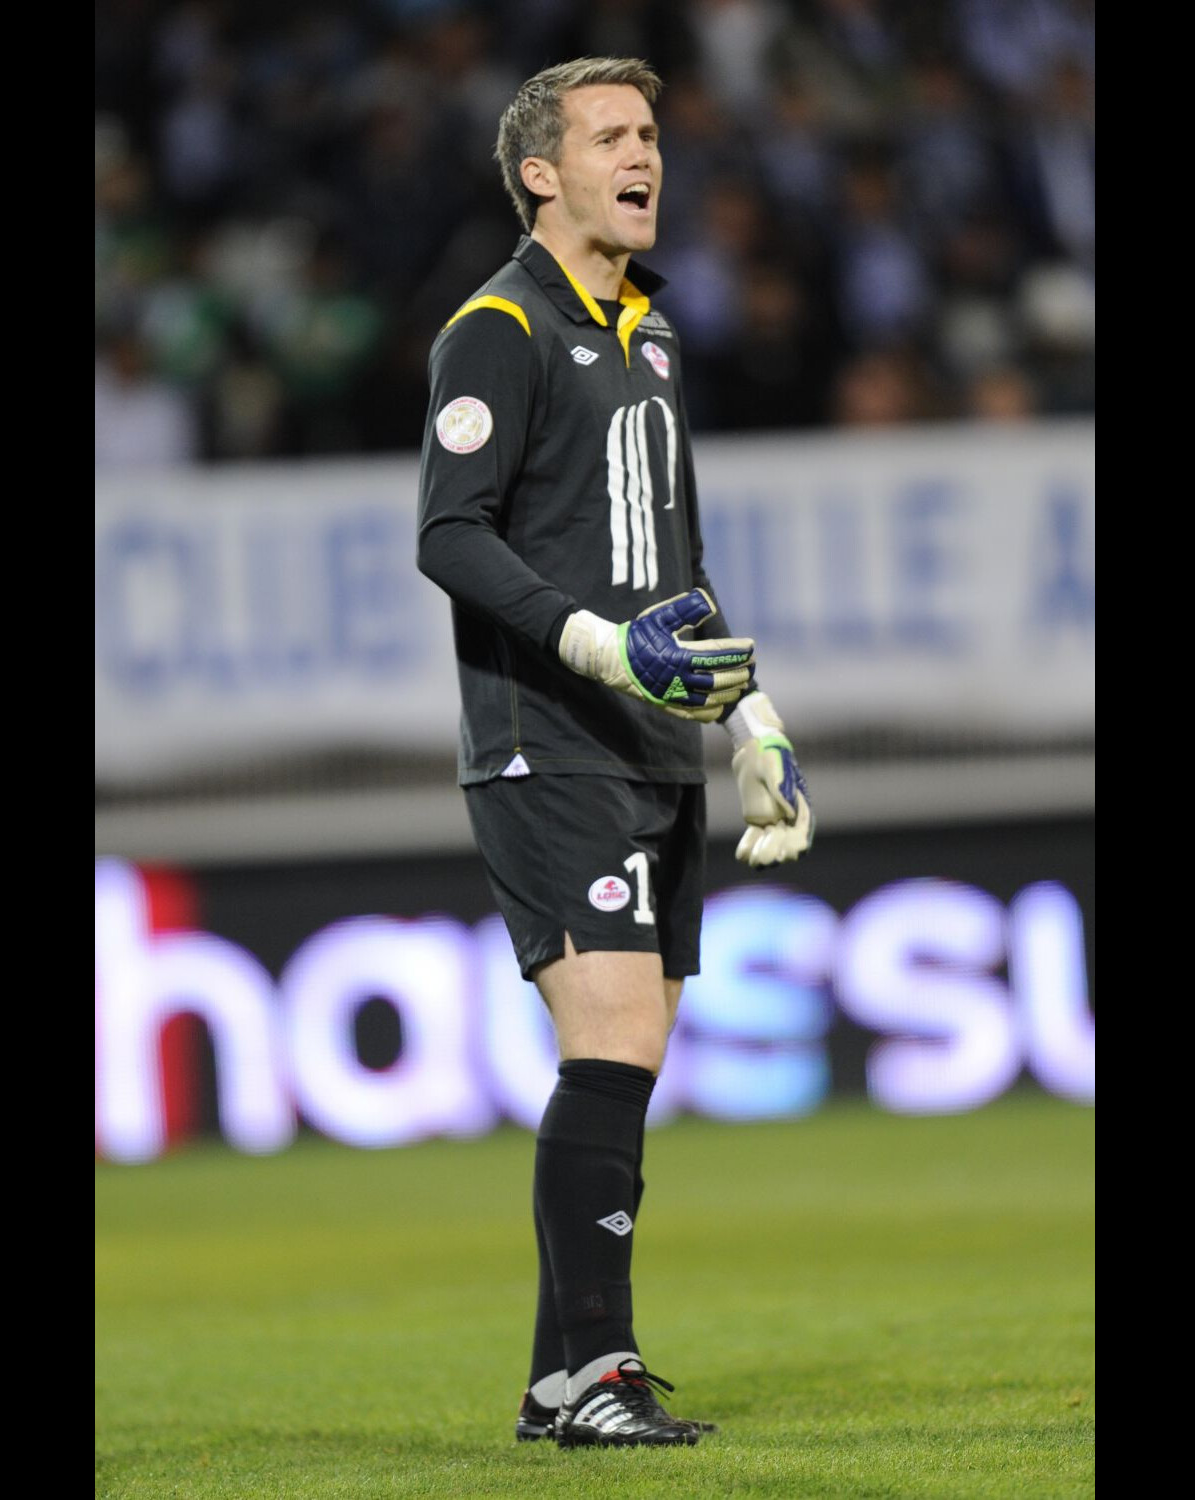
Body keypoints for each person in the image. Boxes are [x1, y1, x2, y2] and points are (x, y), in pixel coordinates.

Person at [416, 56, 814, 1450]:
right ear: (543, 173)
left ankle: (553, 1377)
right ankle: (601, 1377)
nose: (645, 155)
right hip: (549, 737)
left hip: (656, 742)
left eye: (650, 132)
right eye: (612, 136)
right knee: (616, 1038)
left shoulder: (648, 333)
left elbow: (676, 560)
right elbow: (449, 532)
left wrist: (750, 719)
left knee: (635, 1051)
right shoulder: (499, 328)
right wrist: (593, 647)